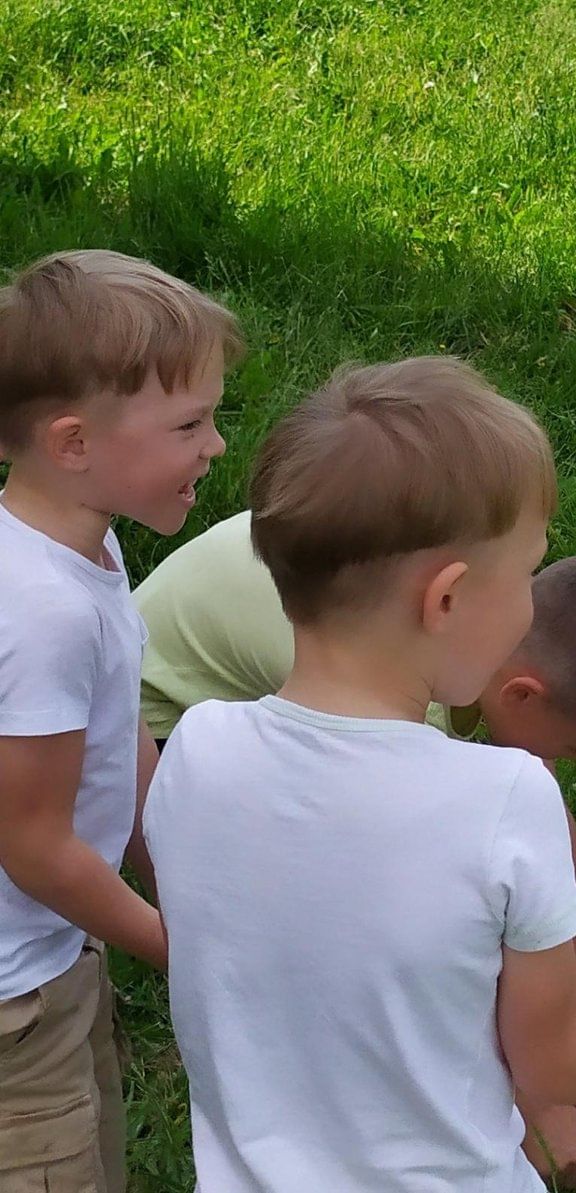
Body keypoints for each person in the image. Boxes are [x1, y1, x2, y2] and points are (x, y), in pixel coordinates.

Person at [143, 357, 576, 1190]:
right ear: (445, 600)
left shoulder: (195, 750)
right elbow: (554, 1062)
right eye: (526, 575)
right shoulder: (505, 798)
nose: (530, 606)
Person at [135, 513, 576, 1185]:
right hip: (148, 724)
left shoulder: (437, 627)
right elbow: (414, 863)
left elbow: (539, 826)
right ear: (523, 693)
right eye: (573, 748)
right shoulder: (378, 685)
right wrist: (541, 1097)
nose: (560, 764)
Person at [0, 249, 241, 1190]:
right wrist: (177, 945)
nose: (216, 445)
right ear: (73, 444)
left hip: (56, 953)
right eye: (189, 424)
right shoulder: (43, 612)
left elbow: (121, 728)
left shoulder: (85, 545)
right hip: (15, 1004)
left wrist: (180, 878)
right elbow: (32, 844)